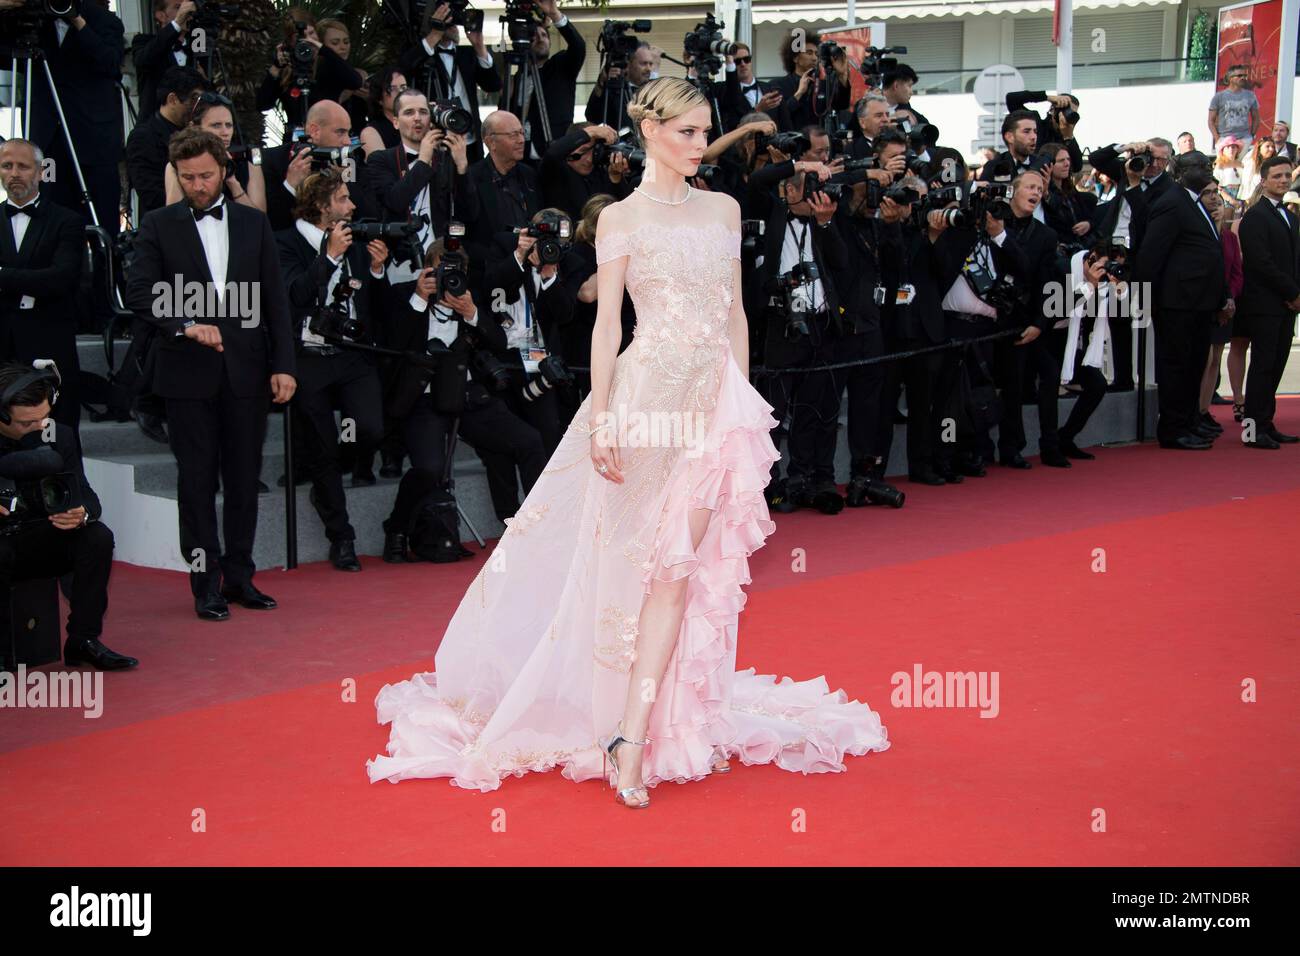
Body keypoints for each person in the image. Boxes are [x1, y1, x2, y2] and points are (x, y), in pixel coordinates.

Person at [367, 77, 890, 804]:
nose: (701, 144)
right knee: (630, 574)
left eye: (707, 131)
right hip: (646, 408)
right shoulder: (620, 220)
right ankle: (613, 715)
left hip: (713, 412)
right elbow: (609, 327)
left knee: (678, 574)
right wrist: (605, 417)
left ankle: (635, 736)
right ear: (650, 131)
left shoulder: (724, 210)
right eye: (688, 132)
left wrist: (738, 402)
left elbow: (735, 313)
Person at [126, 128, 297, 619]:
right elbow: (139, 293)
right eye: (187, 177)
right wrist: (185, 322)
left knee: (244, 480)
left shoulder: (253, 223)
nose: (198, 185)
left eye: (204, 175)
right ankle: (205, 583)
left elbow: (275, 303)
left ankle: (241, 578)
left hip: (248, 371)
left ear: (224, 169)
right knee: (196, 482)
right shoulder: (158, 224)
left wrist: (283, 365)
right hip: (185, 375)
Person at [0, 362, 135, 673]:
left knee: (97, 536)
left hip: (37, 537)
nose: (40, 427)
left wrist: (80, 513)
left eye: (44, 417)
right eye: (27, 423)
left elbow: (88, 496)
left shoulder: (58, 435)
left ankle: (83, 640)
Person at [1136, 151, 1228, 450]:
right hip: (1177, 302)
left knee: (1193, 365)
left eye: (1209, 165)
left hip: (1198, 302)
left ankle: (1189, 422)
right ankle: (1173, 429)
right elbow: (1152, 254)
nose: (1208, 169)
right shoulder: (1172, 203)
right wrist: (1146, 297)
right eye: (1201, 165)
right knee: (1176, 367)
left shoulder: (1192, 201)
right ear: (1183, 171)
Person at [0, 140, 86, 439]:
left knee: (57, 432)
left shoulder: (67, 221)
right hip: (3, 342)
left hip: (50, 341)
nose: (14, 173)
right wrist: (31, 279)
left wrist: (3, 276)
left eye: (22, 166)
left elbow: (60, 279)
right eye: (7, 166)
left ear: (39, 172)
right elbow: (45, 278)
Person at [1237, 155, 1300, 448]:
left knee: (1276, 365)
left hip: (1287, 305)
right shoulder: (1255, 217)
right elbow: (1260, 262)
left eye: (1287, 175)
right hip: (1265, 305)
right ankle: (1251, 430)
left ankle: (1266, 423)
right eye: (1277, 176)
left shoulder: (1290, 217)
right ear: (1264, 181)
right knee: (1261, 367)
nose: (1284, 180)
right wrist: (1292, 293)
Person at [397, 1, 500, 165]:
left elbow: (493, 85)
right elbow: (403, 68)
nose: (453, 25)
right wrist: (434, 34)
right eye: (447, 19)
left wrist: (479, 45)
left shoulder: (466, 54)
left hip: (469, 141)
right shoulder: (423, 56)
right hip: (436, 142)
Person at [498, 0, 585, 163]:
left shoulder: (560, 66)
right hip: (522, 159)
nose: (540, 39)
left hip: (555, 154)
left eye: (544, 35)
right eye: (535, 36)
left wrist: (554, 14)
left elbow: (578, 46)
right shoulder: (517, 76)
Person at [163, 93, 267, 212]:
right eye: (216, 125)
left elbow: (260, 220)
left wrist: (232, 182)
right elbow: (172, 218)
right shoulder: (177, 166)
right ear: (194, 127)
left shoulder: (249, 160)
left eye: (229, 125)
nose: (225, 132)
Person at [1196, 184, 1238, 438]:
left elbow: (1236, 272)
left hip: (1227, 305)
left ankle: (1204, 409)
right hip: (1207, 303)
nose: (1216, 209)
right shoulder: (1202, 235)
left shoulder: (1230, 238)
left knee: (1216, 359)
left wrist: (1230, 298)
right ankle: (1196, 409)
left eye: (1219, 205)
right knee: (1205, 359)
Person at [1208, 65, 1259, 148]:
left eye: (1244, 75)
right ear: (1230, 78)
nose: (1243, 78)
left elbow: (1256, 118)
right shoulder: (1219, 96)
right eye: (1239, 76)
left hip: (1244, 139)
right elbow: (1211, 121)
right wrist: (1217, 139)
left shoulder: (1250, 95)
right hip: (1224, 138)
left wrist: (1251, 137)